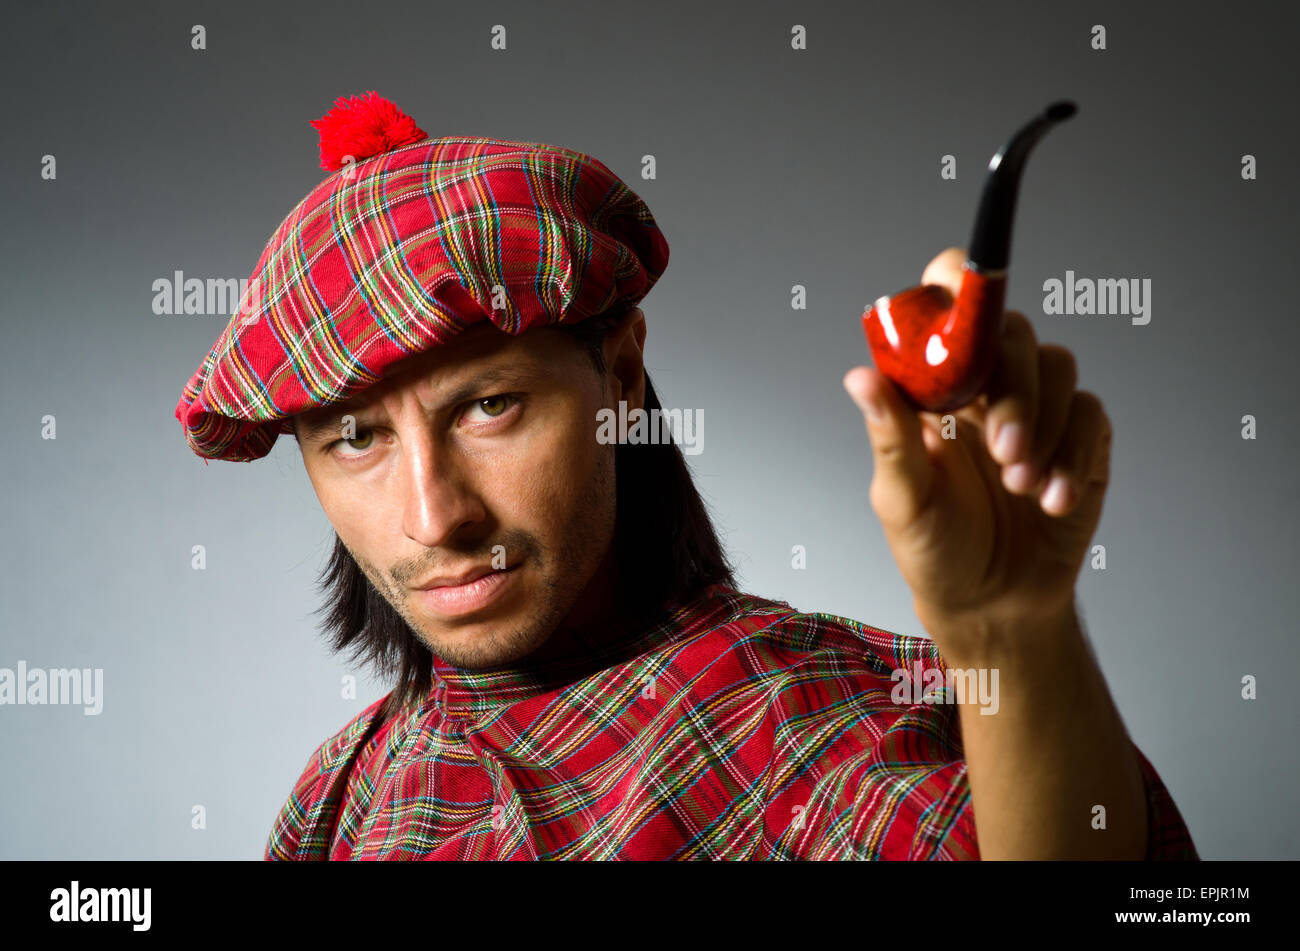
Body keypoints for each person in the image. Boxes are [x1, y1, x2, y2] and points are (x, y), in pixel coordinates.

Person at [174, 92, 1197, 860]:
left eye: (488, 406)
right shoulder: (338, 798)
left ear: (617, 373)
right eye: (355, 439)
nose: (433, 514)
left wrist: (1011, 629)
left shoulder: (814, 725)